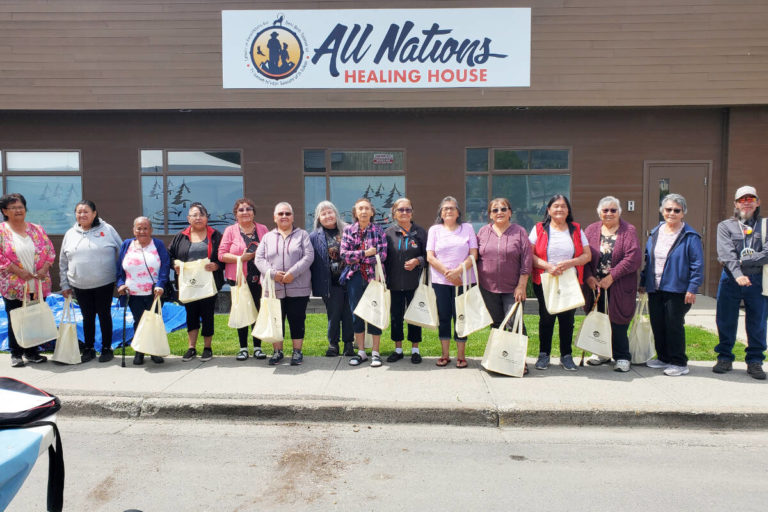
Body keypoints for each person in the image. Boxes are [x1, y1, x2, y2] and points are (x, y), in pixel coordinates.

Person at [639, 193, 703, 376]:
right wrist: (643, 281)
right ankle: (664, 358)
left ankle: (679, 362)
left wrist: (692, 288)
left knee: (674, 325)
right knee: (658, 323)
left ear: (683, 213)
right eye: (668, 209)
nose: (672, 213)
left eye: (677, 210)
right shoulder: (655, 232)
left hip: (677, 288)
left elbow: (697, 264)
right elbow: (648, 259)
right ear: (662, 211)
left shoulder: (690, 236)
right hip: (655, 287)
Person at [529, 194, 591, 371]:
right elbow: (529, 255)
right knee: (546, 318)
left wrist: (571, 263)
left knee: (567, 320)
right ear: (548, 210)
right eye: (555, 206)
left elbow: (587, 255)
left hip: (569, 280)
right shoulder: (539, 229)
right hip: (546, 279)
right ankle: (544, 355)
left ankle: (566, 356)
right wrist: (548, 266)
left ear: (568, 210)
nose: (559, 209)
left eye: (563, 206)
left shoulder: (576, 229)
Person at [713, 186, 768, 380]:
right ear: (735, 204)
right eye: (742, 200)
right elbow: (726, 254)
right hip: (730, 279)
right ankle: (724, 357)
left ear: (758, 202)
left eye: (750, 199)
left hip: (757, 279)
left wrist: (745, 262)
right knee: (726, 319)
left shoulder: (765, 225)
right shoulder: (725, 226)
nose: (746, 203)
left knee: (757, 321)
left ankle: (755, 361)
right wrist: (737, 273)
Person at [583, 196, 641, 372]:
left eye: (613, 210)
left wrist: (612, 277)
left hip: (619, 286)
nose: (609, 213)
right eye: (605, 210)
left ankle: (622, 357)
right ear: (599, 212)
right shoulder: (591, 230)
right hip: (596, 286)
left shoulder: (628, 230)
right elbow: (584, 256)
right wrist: (589, 277)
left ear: (619, 212)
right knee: (599, 319)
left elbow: (633, 258)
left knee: (618, 322)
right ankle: (601, 353)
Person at [59, 200, 122, 363]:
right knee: (87, 317)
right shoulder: (70, 234)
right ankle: (89, 348)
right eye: (79, 212)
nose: (82, 215)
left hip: (104, 283)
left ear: (94, 213)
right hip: (79, 284)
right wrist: (64, 284)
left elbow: (122, 251)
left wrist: (122, 278)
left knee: (104, 314)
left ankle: (107, 348)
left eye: (86, 211)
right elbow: (63, 262)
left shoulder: (107, 230)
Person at [476, 198, 532, 373]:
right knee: (496, 324)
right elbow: (475, 256)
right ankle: (499, 361)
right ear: (490, 214)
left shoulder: (520, 232)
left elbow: (527, 260)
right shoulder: (483, 232)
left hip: (513, 288)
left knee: (515, 323)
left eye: (503, 209)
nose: (499, 212)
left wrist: (522, 285)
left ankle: (519, 362)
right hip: (487, 287)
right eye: (495, 210)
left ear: (510, 212)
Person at [255, 202, 314, 366]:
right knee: (276, 320)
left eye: (287, 213)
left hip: (298, 287)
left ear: (293, 217)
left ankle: (297, 352)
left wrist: (292, 273)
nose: (284, 216)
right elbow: (259, 259)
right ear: (275, 218)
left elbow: (309, 256)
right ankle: (277, 352)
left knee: (297, 320)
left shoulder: (302, 235)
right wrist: (273, 274)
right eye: (280, 214)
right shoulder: (267, 237)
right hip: (274, 289)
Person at [0, 193, 55, 368]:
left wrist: (44, 268)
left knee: (34, 316)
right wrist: (18, 271)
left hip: (37, 282)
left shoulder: (36, 229)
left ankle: (31, 352)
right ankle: (16, 354)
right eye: (13, 207)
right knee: (16, 317)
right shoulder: (2, 231)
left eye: (21, 207)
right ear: (5, 211)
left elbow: (49, 250)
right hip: (14, 284)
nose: (18, 210)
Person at [426, 196, 478, 368]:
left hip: (464, 280)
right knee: (444, 316)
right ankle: (445, 354)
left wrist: (458, 271)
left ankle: (461, 356)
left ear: (458, 212)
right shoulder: (434, 230)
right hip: (440, 282)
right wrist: (448, 274)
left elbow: (474, 254)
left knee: (461, 317)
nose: (448, 211)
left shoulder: (467, 228)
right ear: (441, 213)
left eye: (452, 208)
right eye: (445, 208)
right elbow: (430, 257)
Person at [168, 202, 224, 363]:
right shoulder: (180, 236)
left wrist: (217, 265)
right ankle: (191, 348)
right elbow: (169, 255)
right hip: (188, 284)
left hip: (209, 283)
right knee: (191, 314)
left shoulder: (215, 235)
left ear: (207, 218)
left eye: (201, 215)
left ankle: (207, 348)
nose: (198, 218)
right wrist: (175, 264)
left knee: (208, 315)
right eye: (194, 215)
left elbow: (223, 255)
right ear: (188, 218)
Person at [218, 198, 269, 361]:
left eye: (248, 209)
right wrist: (241, 258)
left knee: (258, 311)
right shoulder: (230, 231)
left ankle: (258, 347)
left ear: (253, 213)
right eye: (241, 210)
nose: (245, 212)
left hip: (259, 278)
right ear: (236, 214)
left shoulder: (263, 229)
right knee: (242, 311)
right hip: (238, 278)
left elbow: (269, 251)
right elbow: (221, 255)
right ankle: (243, 348)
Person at [116, 216, 171, 365]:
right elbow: (119, 268)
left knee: (153, 322)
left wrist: (161, 284)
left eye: (145, 228)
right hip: (133, 293)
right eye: (139, 228)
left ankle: (154, 351)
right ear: (134, 230)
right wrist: (120, 284)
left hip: (155, 292)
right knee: (138, 321)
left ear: (151, 230)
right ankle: (139, 352)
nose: (142, 231)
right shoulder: (127, 245)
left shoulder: (158, 245)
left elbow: (165, 265)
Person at [340, 197, 388, 367]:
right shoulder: (348, 230)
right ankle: (361, 352)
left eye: (367, 208)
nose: (364, 211)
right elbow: (344, 255)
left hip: (374, 277)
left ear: (372, 212)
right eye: (360, 208)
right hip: (354, 277)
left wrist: (357, 256)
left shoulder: (379, 230)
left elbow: (382, 256)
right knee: (357, 314)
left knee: (374, 312)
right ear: (355, 212)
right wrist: (366, 253)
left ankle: (375, 352)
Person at [385, 197, 428, 364]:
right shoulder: (388, 233)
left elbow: (429, 255)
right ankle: (398, 349)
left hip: (414, 284)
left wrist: (418, 261)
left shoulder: (420, 232)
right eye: (400, 210)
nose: (404, 212)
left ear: (412, 212)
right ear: (394, 213)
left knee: (414, 316)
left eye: (408, 209)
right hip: (394, 283)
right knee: (396, 317)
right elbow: (383, 258)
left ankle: (415, 350)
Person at [309, 200, 354, 357]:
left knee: (349, 314)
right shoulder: (314, 236)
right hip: (330, 283)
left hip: (350, 281)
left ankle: (349, 344)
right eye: (323, 213)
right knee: (333, 314)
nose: (328, 216)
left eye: (330, 212)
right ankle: (333, 344)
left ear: (336, 213)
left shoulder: (348, 230)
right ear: (318, 218)